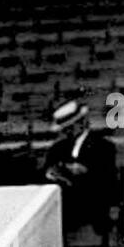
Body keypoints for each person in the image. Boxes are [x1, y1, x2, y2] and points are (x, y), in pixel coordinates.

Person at [43, 100, 118, 236]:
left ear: (82, 122)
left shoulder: (102, 146)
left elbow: (107, 177)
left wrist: (83, 170)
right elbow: (48, 169)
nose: (69, 131)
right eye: (66, 128)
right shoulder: (57, 148)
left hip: (91, 197)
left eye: (71, 126)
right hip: (64, 196)